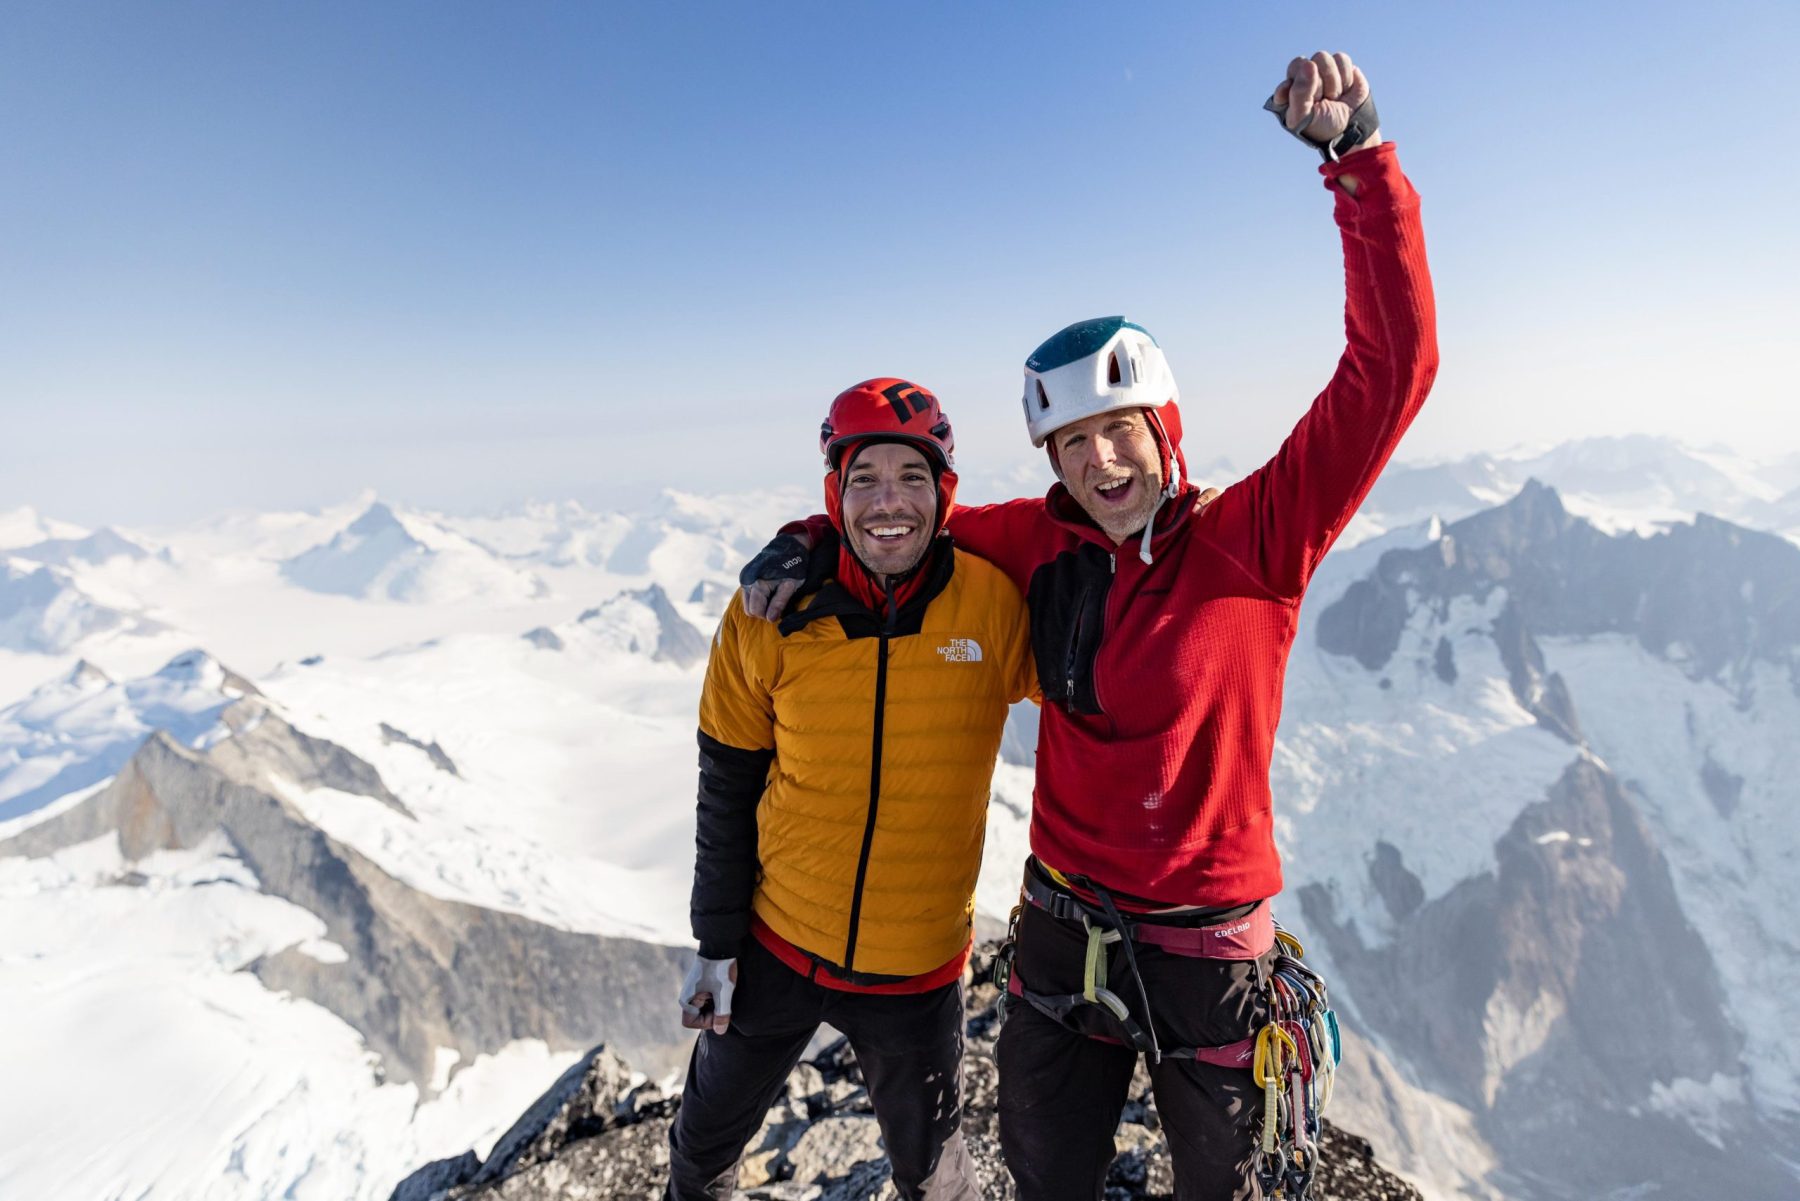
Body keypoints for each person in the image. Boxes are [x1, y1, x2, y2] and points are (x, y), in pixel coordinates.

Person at [738, 51, 1437, 1200]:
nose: (1101, 460)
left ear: (1164, 428)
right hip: (1064, 924)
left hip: (1209, 941)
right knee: (1044, 1167)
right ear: (1053, 460)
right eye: (1074, 443)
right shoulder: (1037, 539)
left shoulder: (1258, 536)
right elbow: (909, 520)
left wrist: (1359, 159)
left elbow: (1392, 368)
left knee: (1229, 1183)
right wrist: (819, 537)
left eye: (1121, 430)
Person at [668, 378, 1037, 1201]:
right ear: (834, 491)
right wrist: (716, 943)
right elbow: (726, 783)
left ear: (944, 493)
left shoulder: (994, 606)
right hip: (776, 944)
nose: (887, 501)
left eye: (912, 477)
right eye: (863, 477)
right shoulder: (770, 611)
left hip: (916, 973)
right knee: (699, 1150)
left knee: (936, 1179)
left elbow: (1094, 697)